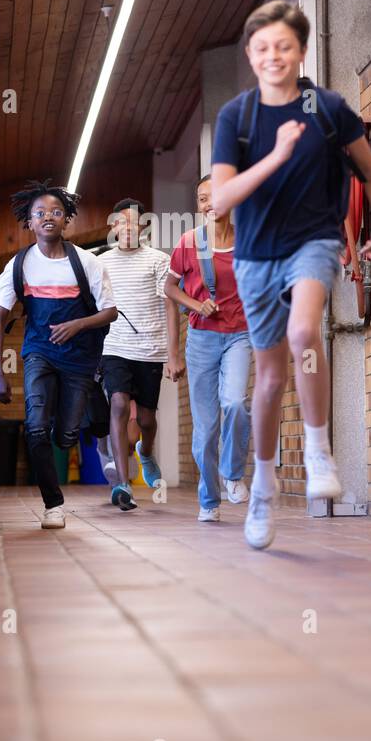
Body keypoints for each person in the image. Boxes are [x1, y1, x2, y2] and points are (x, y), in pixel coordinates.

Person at [211, 0, 371, 550]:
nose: (274, 56)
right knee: (268, 381)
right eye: (264, 47)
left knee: (303, 332)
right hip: (254, 256)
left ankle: (319, 449)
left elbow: (369, 167)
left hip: (315, 241)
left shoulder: (326, 107)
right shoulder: (238, 118)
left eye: (285, 47)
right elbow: (221, 198)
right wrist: (276, 155)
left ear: (302, 52)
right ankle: (263, 488)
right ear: (250, 54)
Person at [0, 180, 116, 529]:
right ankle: (53, 505)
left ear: (67, 220)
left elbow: (110, 312)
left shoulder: (87, 263)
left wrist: (77, 325)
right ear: (28, 222)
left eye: (56, 212)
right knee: (35, 428)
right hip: (39, 353)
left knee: (65, 437)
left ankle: (87, 406)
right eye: (40, 213)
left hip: (79, 359)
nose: (48, 217)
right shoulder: (18, 266)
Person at [164, 175, 252, 522]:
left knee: (235, 403)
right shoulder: (189, 242)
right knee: (206, 428)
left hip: (239, 335)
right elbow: (169, 288)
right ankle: (209, 501)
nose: (208, 203)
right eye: (202, 198)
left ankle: (232, 474)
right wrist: (196, 304)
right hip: (201, 339)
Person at [100, 198, 184, 510]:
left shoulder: (158, 260)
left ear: (144, 227)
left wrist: (173, 354)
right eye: (122, 222)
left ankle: (145, 452)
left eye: (135, 223)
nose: (128, 228)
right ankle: (122, 484)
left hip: (149, 349)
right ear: (112, 226)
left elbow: (170, 305)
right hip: (114, 347)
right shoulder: (102, 263)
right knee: (119, 405)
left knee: (147, 419)